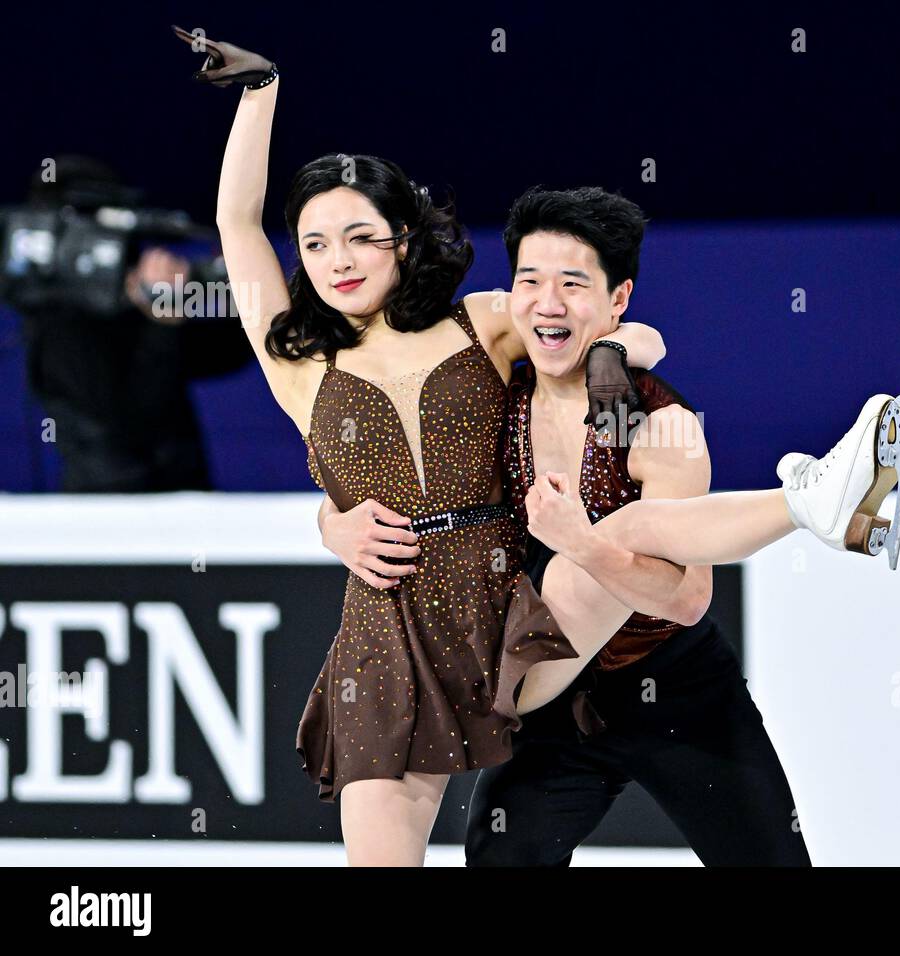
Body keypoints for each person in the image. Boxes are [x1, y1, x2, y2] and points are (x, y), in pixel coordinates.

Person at [177, 28, 668, 866]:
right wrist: (262, 94)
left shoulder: (482, 320)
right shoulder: (299, 360)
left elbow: (631, 328)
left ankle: (803, 506)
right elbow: (234, 219)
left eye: (360, 236)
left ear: (403, 238)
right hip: (386, 636)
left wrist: (613, 361)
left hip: (512, 611)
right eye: (315, 244)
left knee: (624, 549)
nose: (337, 261)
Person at [319, 186, 900, 864]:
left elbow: (688, 600)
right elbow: (376, 469)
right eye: (530, 281)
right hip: (556, 699)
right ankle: (809, 504)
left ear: (617, 300)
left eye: (573, 284)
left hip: (675, 691)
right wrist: (331, 524)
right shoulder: (488, 397)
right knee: (498, 857)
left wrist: (582, 543)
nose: (548, 303)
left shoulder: (662, 424)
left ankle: (811, 503)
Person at [10, 155, 250, 491]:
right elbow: (125, 422)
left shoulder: (142, 287)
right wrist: (161, 324)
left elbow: (228, 353)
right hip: (108, 512)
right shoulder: (57, 317)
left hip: (184, 499)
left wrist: (238, 286)